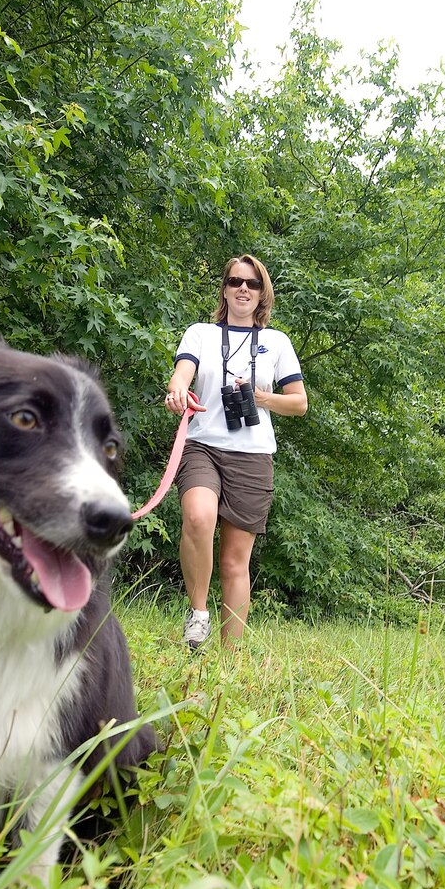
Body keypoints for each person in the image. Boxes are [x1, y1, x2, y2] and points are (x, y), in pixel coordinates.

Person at [165, 255, 307, 648]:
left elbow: (299, 403)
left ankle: (230, 658)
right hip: (204, 446)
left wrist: (260, 397)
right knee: (197, 515)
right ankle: (198, 615)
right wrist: (177, 389)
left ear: (262, 294)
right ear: (225, 289)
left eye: (252, 283)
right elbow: (183, 371)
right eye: (235, 281)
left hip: (253, 455)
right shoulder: (201, 334)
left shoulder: (277, 342)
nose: (243, 288)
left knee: (234, 561)